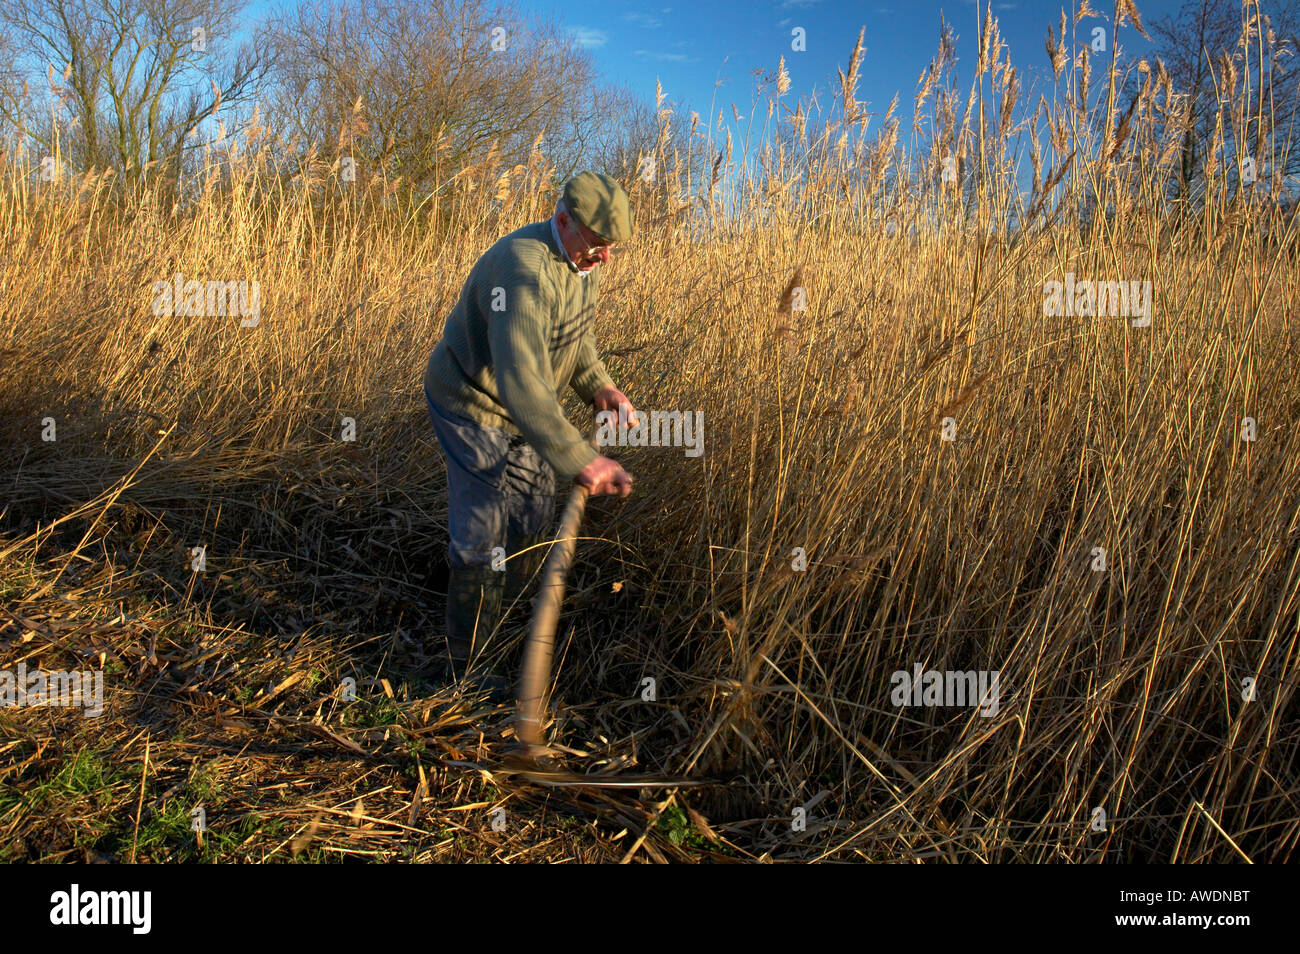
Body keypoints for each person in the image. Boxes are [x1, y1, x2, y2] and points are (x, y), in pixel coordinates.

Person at [423, 171, 639, 689]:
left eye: (612, 248)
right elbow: (521, 381)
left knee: (533, 509)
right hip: (472, 403)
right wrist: (581, 459)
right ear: (564, 219)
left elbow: (576, 336)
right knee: (485, 525)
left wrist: (599, 387)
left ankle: (498, 608)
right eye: (599, 245)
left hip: (524, 410)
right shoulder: (522, 270)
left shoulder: (581, 263)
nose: (606, 258)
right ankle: (465, 668)